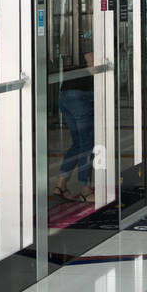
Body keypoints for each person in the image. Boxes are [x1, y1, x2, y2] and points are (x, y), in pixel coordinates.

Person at [54, 23, 95, 203]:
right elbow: (92, 66)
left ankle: (61, 184)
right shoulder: (84, 39)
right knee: (87, 143)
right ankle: (85, 188)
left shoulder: (65, 40)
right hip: (81, 95)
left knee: (78, 143)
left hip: (65, 95)